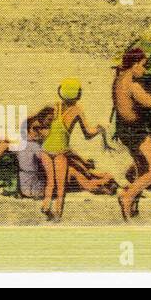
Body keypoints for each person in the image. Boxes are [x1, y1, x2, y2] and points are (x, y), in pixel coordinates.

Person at [113, 48, 151, 220]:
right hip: (135, 130)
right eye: (143, 65)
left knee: (142, 167)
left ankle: (132, 205)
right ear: (135, 64)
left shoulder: (118, 79)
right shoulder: (132, 85)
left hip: (124, 129)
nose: (144, 70)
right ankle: (128, 196)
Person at [40, 79, 105, 221]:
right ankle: (57, 215)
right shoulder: (77, 110)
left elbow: (43, 124)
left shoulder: (55, 106)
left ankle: (46, 206)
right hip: (60, 152)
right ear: (77, 95)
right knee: (61, 186)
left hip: (45, 150)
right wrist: (99, 130)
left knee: (50, 182)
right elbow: (88, 133)